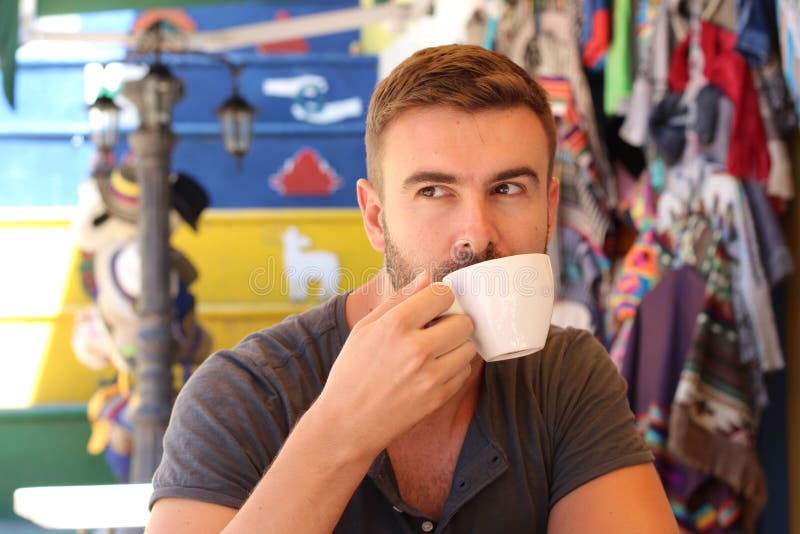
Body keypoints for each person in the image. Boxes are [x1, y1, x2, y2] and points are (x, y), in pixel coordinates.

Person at [147, 44, 678, 533]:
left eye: (509, 188)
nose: (477, 233)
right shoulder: (241, 396)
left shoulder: (565, 375)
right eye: (434, 191)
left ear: (550, 206)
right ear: (375, 217)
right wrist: (342, 431)